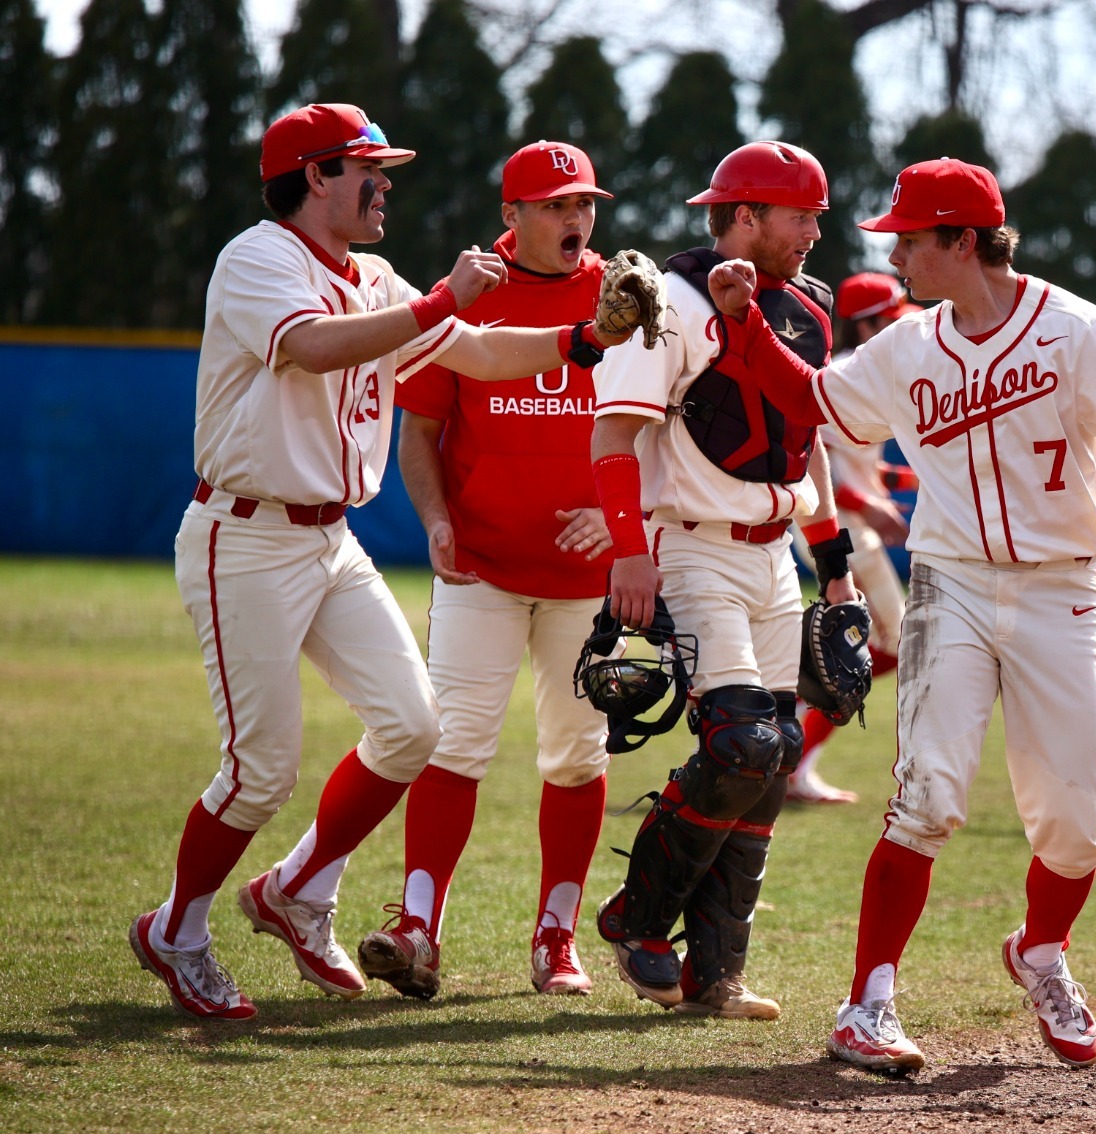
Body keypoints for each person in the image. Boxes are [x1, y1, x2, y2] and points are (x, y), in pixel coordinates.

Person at [708, 156, 1096, 1073]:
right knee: (927, 795)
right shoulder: (912, 345)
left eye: (912, 239)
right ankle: (865, 1005)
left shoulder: (1074, 329)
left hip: (1060, 587)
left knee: (1074, 825)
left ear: (963, 241)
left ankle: (1039, 950)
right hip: (950, 584)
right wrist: (743, 320)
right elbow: (813, 399)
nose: (898, 256)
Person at [129, 104, 631, 1019]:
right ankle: (177, 929)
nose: (385, 184)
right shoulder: (258, 257)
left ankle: (295, 890)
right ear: (316, 175)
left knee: (414, 728)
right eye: (369, 168)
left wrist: (580, 341)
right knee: (260, 770)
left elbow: (474, 351)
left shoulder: (372, 273)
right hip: (244, 535)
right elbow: (310, 346)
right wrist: (439, 299)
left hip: (330, 537)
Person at [587, 141, 859, 1020]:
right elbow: (614, 440)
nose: (817, 231)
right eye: (802, 214)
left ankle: (718, 973)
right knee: (741, 742)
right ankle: (638, 918)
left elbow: (806, 447)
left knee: (773, 757)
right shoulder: (668, 305)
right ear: (745, 216)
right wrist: (629, 551)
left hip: (774, 552)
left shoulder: (808, 307)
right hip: (693, 545)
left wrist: (838, 571)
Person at [356, 141, 618, 1001]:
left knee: (577, 757)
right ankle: (418, 924)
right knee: (454, 741)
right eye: (553, 204)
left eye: (582, 202)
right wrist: (432, 517)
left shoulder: (621, 297)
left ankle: (557, 939)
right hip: (480, 566)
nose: (574, 218)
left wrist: (621, 515)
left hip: (588, 575)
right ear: (511, 217)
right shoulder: (469, 297)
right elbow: (421, 433)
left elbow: (657, 425)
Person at [786, 271, 920, 804]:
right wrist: (871, 507)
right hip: (837, 527)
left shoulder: (871, 370)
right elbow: (816, 463)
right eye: (887, 319)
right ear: (865, 323)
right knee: (893, 643)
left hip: (849, 523)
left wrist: (897, 483)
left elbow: (856, 462)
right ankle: (792, 739)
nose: (896, 328)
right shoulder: (844, 374)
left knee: (881, 645)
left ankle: (793, 732)